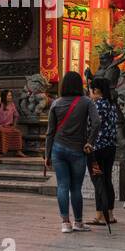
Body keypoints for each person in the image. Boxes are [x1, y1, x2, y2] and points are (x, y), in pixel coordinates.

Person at [45, 70, 99, 234]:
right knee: (76, 188)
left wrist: (47, 154)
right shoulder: (86, 102)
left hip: (58, 149)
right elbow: (96, 122)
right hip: (78, 149)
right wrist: (90, 142)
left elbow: (50, 131)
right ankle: (78, 222)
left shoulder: (55, 103)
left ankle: (65, 223)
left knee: (62, 186)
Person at [86, 78, 119, 227]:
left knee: (98, 180)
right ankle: (110, 214)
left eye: (91, 89)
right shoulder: (112, 105)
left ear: (96, 90)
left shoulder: (97, 105)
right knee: (107, 180)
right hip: (110, 148)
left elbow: (91, 125)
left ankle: (100, 215)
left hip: (97, 149)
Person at [0, 87, 23, 157]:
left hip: (9, 126)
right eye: (8, 95)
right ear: (4, 96)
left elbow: (16, 115)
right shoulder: (0, 104)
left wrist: (14, 126)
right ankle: (2, 151)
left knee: (17, 132)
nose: (10, 97)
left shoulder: (12, 105)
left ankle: (18, 151)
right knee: (3, 133)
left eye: (11, 95)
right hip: (0, 126)